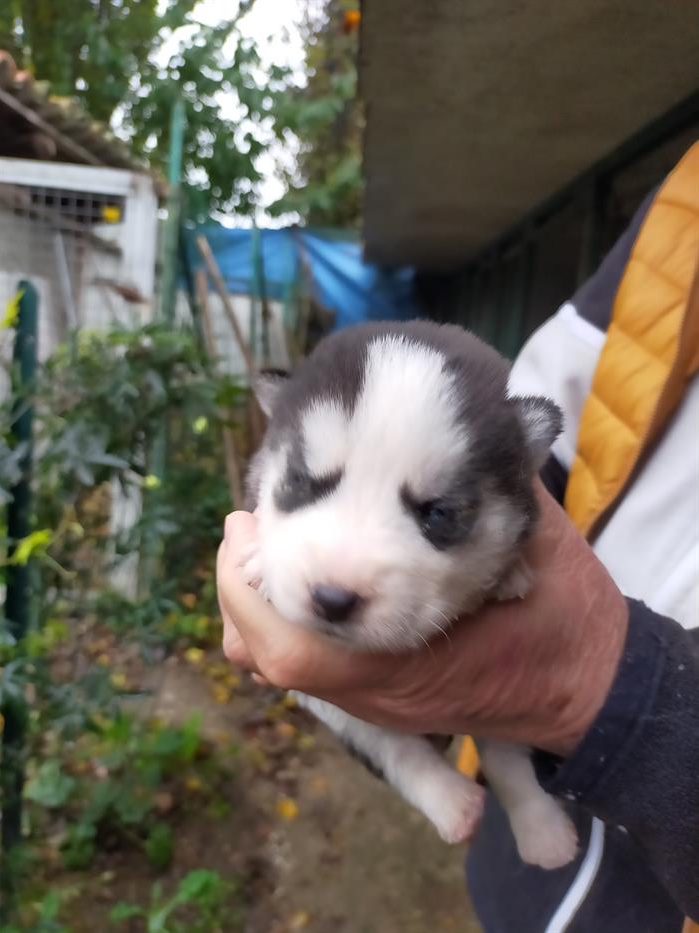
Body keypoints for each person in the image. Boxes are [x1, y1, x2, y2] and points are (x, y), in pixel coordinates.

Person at [216, 142, 699, 932]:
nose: (341, 573)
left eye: (434, 512)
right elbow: (555, 413)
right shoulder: (688, 203)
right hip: (510, 887)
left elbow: (527, 450)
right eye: (312, 481)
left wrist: (605, 684)